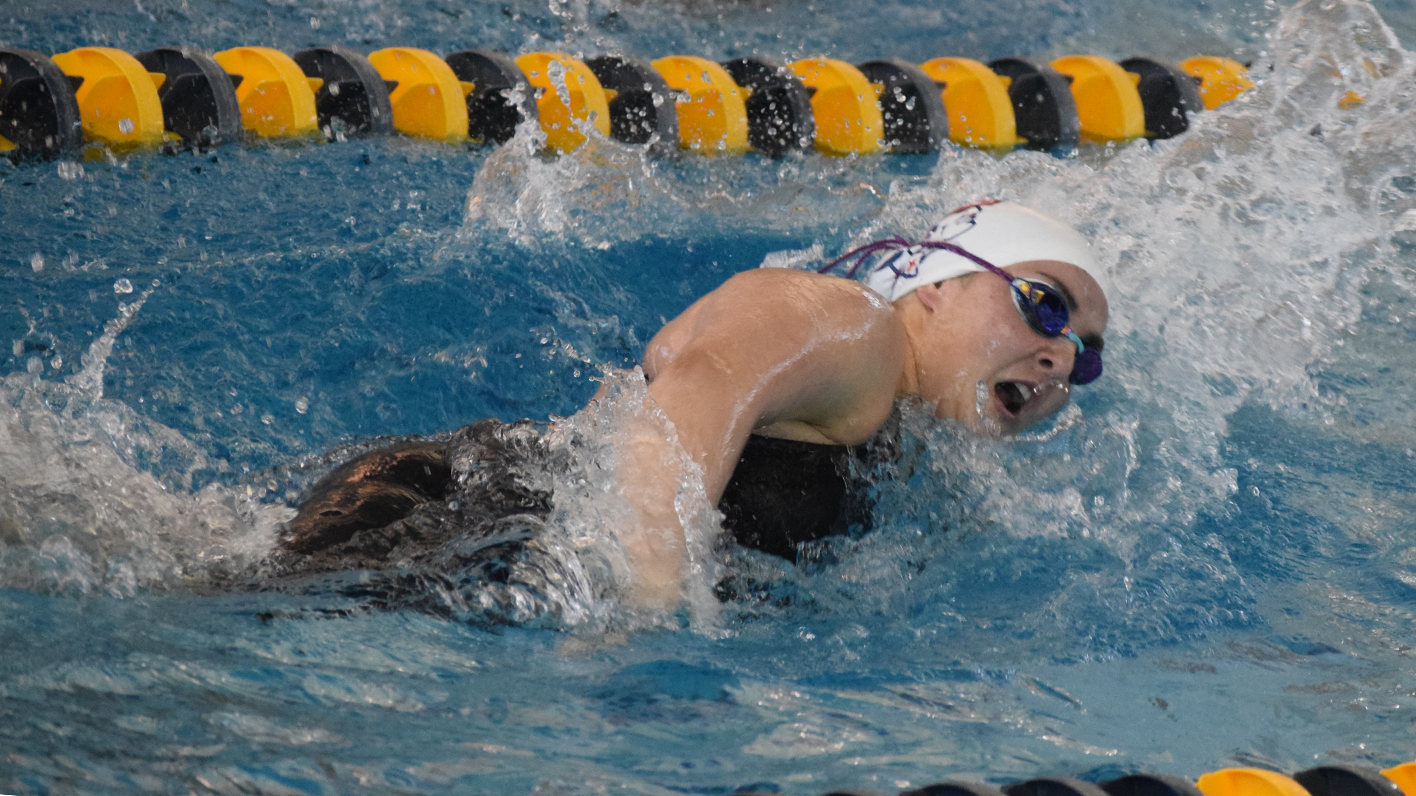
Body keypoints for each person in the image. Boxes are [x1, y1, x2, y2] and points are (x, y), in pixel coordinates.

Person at [275, 199, 1109, 614]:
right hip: (447, 513)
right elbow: (698, 375)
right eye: (1045, 304)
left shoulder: (901, 430)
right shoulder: (862, 332)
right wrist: (642, 603)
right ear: (932, 289)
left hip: (479, 536)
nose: (1064, 354)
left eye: (1088, 350)